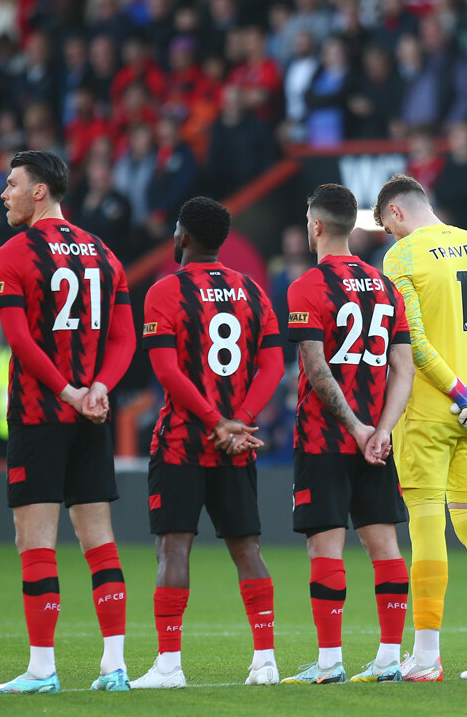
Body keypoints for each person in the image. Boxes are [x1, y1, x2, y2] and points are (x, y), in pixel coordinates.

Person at [0, 151, 136, 694]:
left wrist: (68, 391)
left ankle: (42, 669)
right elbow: (124, 338)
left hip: (40, 412)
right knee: (99, 540)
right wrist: (99, 388)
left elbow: (19, 340)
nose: (4, 194)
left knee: (35, 541)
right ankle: (114, 666)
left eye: (12, 184)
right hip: (91, 415)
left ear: (39, 191)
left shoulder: (12, 254)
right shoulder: (104, 253)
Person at [133, 196, 285, 689]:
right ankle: (266, 661)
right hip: (235, 444)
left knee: (173, 548)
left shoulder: (165, 290)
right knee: (248, 548)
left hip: (183, 440)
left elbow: (166, 371)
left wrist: (216, 421)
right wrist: (239, 422)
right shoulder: (251, 289)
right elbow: (273, 365)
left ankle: (168, 666)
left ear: (182, 236)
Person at [375, 173, 467, 680]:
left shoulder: (402, 257)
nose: (391, 236)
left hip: (428, 411)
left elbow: (413, 341)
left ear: (395, 213)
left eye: (388, 227)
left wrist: (461, 395)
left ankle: (425, 657)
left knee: (426, 526)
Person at [280, 184, 413, 684]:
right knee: (385, 546)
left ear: (316, 226)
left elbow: (317, 370)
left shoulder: (307, 286)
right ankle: (389, 659)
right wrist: (381, 431)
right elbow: (404, 369)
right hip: (376, 441)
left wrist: (356, 429)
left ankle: (330, 662)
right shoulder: (385, 286)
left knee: (325, 549)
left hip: (325, 438)